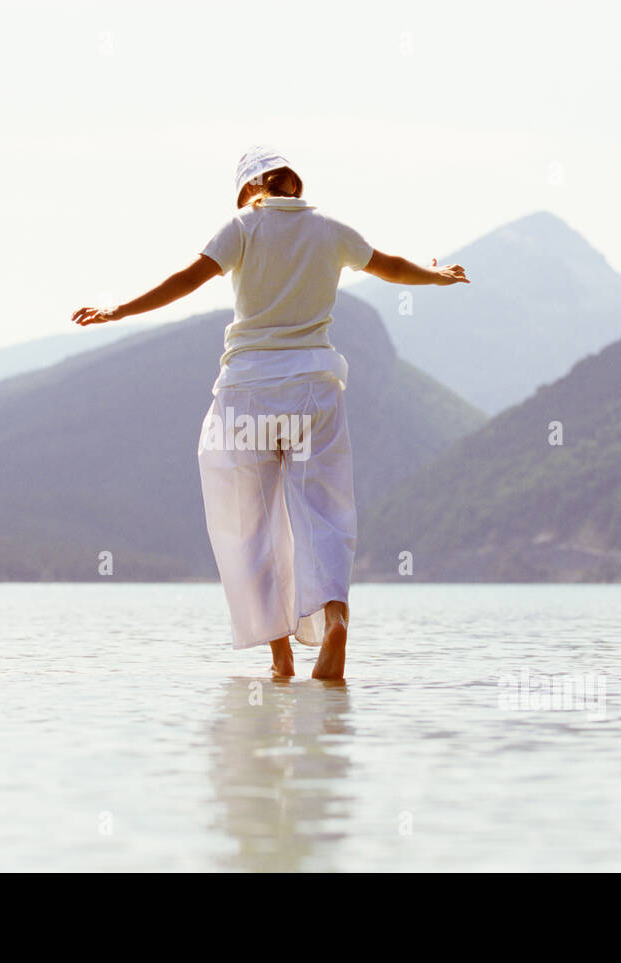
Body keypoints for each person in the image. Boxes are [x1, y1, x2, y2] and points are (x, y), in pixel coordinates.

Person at [73, 145, 467, 679]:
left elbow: (186, 279)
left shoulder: (242, 227)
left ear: (251, 188)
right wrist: (436, 276)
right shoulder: (330, 229)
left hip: (247, 395)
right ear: (293, 182)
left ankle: (281, 657)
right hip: (314, 390)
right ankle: (335, 620)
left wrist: (117, 309)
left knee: (249, 525)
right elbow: (391, 267)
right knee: (325, 514)